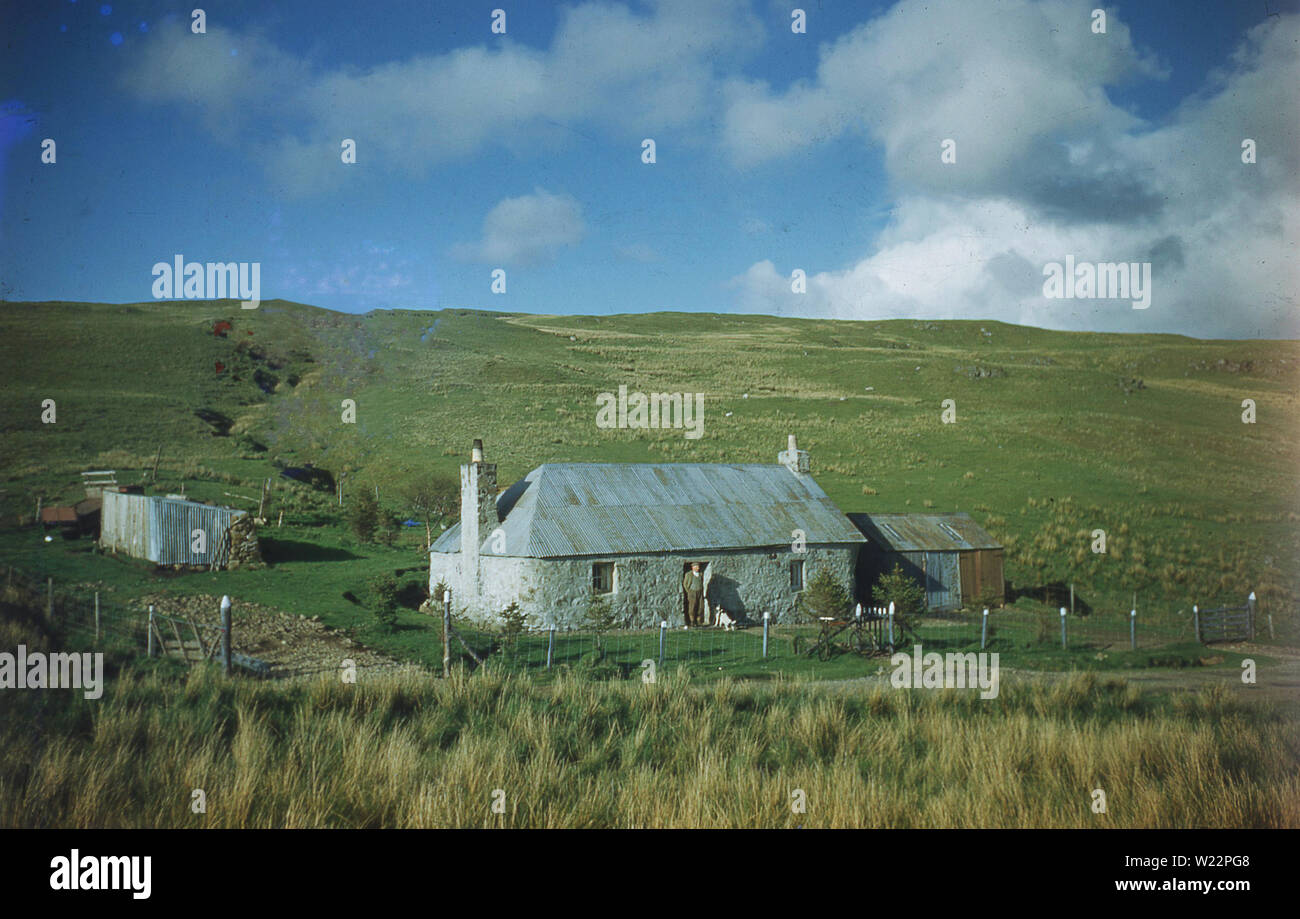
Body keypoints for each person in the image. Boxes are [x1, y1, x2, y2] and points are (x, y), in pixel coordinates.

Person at [683, 562, 705, 628]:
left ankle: (699, 621)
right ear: (693, 567)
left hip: (699, 592)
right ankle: (692, 621)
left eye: (698, 566)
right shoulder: (689, 574)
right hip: (692, 592)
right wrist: (689, 591)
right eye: (697, 566)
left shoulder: (700, 574)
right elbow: (685, 584)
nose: (698, 568)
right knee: (692, 607)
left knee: (700, 607)